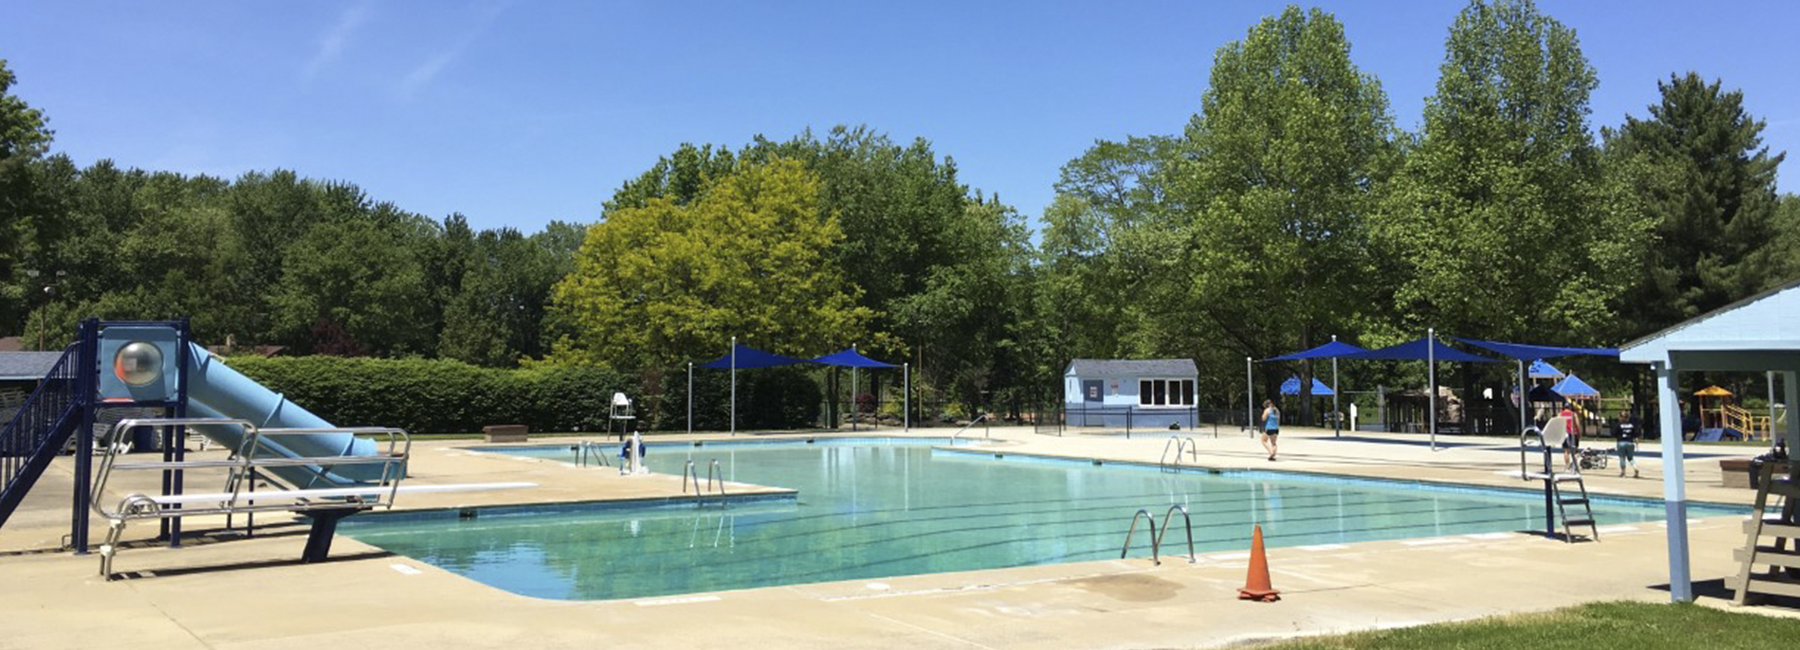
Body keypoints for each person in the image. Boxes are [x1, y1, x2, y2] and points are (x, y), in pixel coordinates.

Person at [1614, 410, 1640, 478]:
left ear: (1620, 417)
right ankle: (1635, 468)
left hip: (1621, 442)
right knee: (1630, 458)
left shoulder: (1618, 424)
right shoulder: (1631, 425)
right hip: (1630, 443)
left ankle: (1623, 473)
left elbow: (1614, 433)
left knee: (1622, 458)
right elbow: (1636, 434)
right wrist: (1637, 443)